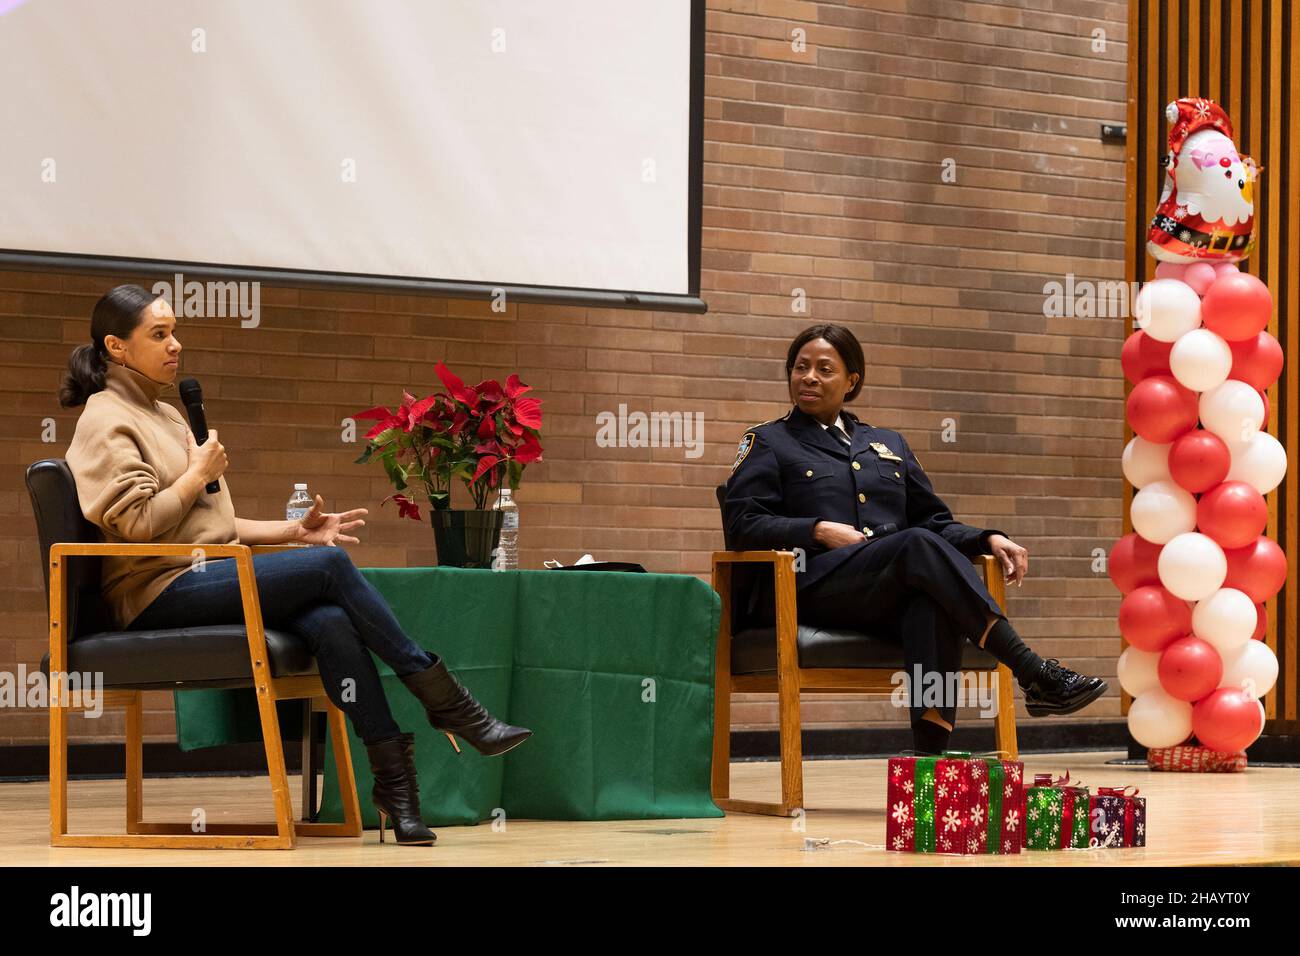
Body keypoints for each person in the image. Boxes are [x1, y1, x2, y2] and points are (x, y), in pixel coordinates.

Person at [60, 284, 531, 846]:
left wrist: (294, 532)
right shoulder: (104, 419)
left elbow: (209, 526)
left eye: (174, 331)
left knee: (330, 618)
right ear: (116, 347)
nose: (175, 345)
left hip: (204, 572)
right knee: (329, 571)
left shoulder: (165, 412)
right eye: (159, 335)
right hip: (153, 592)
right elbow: (138, 524)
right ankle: (445, 702)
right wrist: (195, 472)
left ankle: (396, 789)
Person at [722, 323, 1108, 755]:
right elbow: (743, 522)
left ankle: (929, 761)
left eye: (824, 369)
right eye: (800, 367)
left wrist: (987, 539)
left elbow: (934, 520)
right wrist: (816, 529)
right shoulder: (768, 441)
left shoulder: (888, 444)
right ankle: (1030, 668)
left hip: (882, 590)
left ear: (852, 381)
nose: (809, 377)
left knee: (930, 599)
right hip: (809, 586)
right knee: (916, 544)